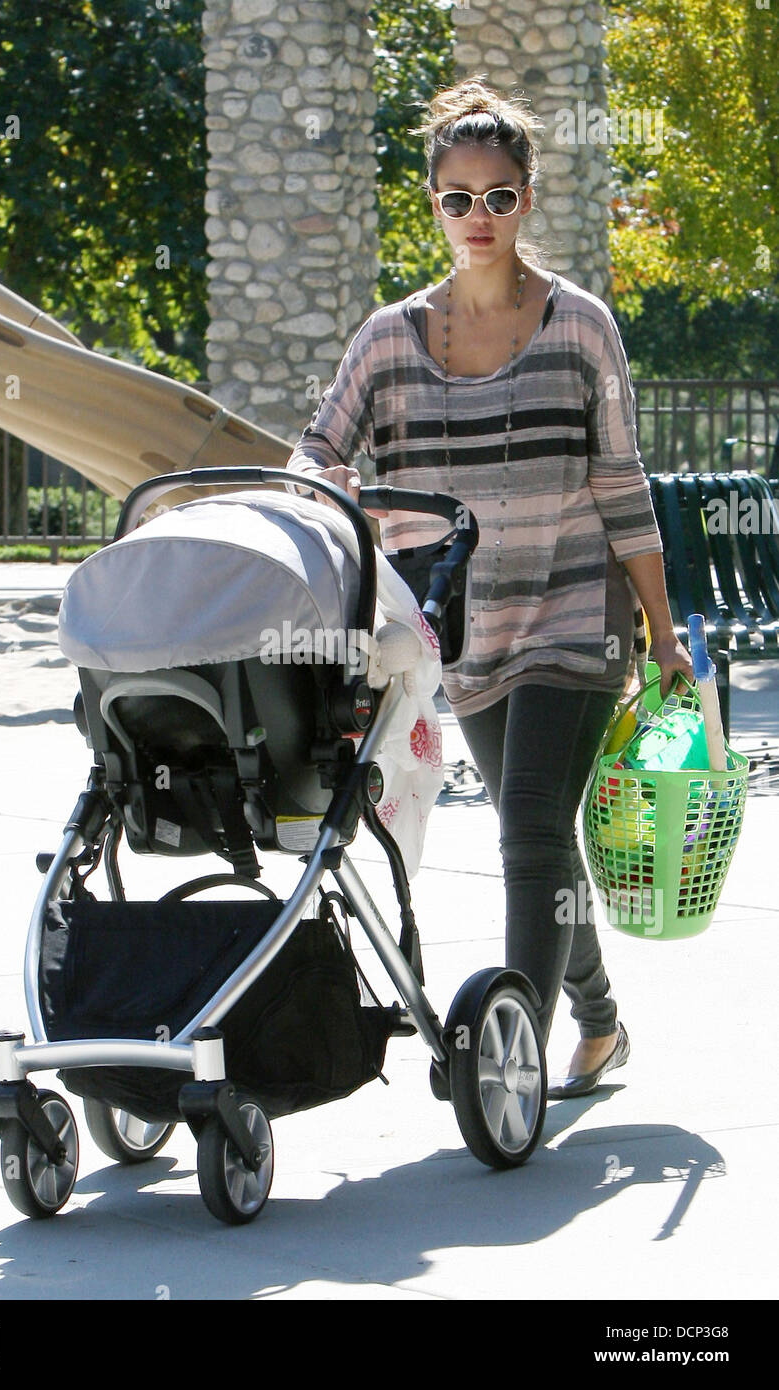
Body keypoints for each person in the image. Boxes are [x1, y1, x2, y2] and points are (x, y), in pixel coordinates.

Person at [286, 76, 694, 1097]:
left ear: (528, 198)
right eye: (457, 198)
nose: (478, 219)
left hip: (578, 613)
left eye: (499, 196)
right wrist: (323, 495)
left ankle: (513, 1062)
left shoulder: (582, 329)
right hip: (462, 629)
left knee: (527, 823)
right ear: (433, 203)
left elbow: (621, 480)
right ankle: (601, 1024)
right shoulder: (389, 339)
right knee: (541, 836)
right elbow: (318, 449)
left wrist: (663, 626)